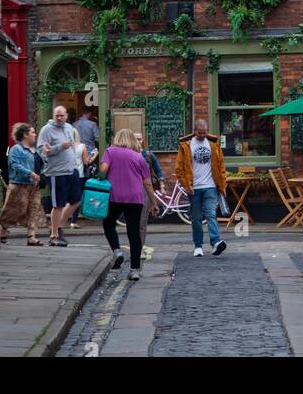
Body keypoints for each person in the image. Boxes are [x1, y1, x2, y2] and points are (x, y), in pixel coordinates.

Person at [97, 128, 159, 280]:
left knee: (109, 223)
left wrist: (101, 175)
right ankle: (135, 270)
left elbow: (103, 170)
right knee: (134, 232)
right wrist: (154, 202)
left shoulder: (110, 152)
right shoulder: (139, 158)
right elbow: (148, 183)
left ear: (117, 138)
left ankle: (117, 251)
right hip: (134, 199)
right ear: (132, 139)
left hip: (114, 197)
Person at [174, 118, 227, 257]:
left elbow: (221, 166)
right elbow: (179, 169)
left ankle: (216, 242)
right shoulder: (186, 145)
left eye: (205, 132)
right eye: (200, 133)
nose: (203, 135)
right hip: (194, 188)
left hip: (210, 186)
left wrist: (223, 185)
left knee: (211, 214)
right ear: (194, 131)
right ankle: (198, 246)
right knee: (196, 218)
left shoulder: (214, 144)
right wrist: (186, 185)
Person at [36, 104, 82, 247]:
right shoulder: (46, 130)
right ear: (53, 115)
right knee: (58, 205)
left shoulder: (69, 127)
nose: (60, 118)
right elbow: (41, 151)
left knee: (76, 200)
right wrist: (59, 147)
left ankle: (58, 227)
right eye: (57, 115)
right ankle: (54, 235)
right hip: (56, 172)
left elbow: (72, 147)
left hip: (71, 170)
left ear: (67, 116)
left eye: (62, 115)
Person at [0, 122, 44, 247]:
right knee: (12, 211)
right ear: (25, 135)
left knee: (33, 210)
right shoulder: (16, 149)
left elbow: (41, 165)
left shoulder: (34, 151)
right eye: (33, 132)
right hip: (19, 185)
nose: (35, 135)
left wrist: (45, 153)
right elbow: (15, 165)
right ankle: (2, 230)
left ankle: (31, 237)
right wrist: (30, 173)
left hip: (34, 186)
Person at [134, 131, 164, 258]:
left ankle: (139, 249)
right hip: (130, 191)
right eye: (135, 139)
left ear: (143, 140)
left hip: (145, 190)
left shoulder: (149, 155)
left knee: (142, 221)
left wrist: (161, 184)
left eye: (140, 139)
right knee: (133, 223)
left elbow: (158, 170)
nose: (138, 142)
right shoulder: (127, 155)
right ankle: (134, 248)